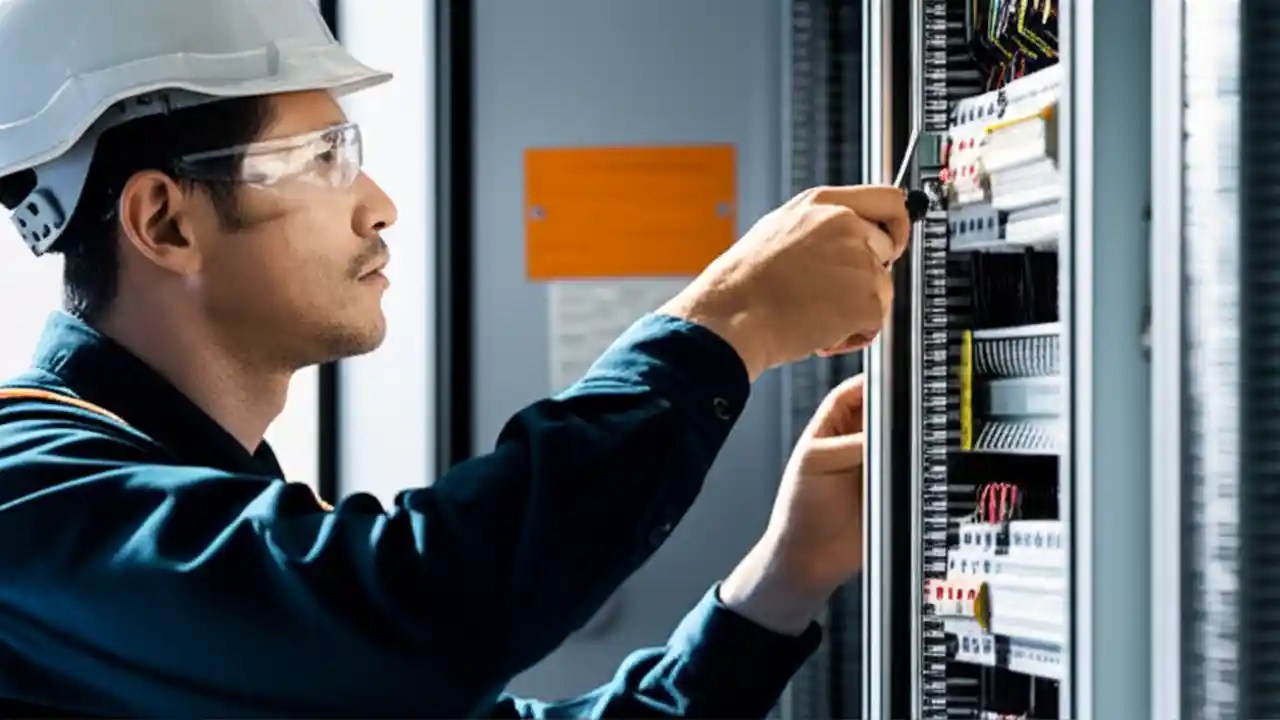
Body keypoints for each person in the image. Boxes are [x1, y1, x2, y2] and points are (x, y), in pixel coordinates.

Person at [0, 0, 910, 717]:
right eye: (322, 158)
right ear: (164, 220)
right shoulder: (25, 499)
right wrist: (728, 323)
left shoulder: (186, 502)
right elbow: (411, 620)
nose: (380, 205)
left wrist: (780, 580)